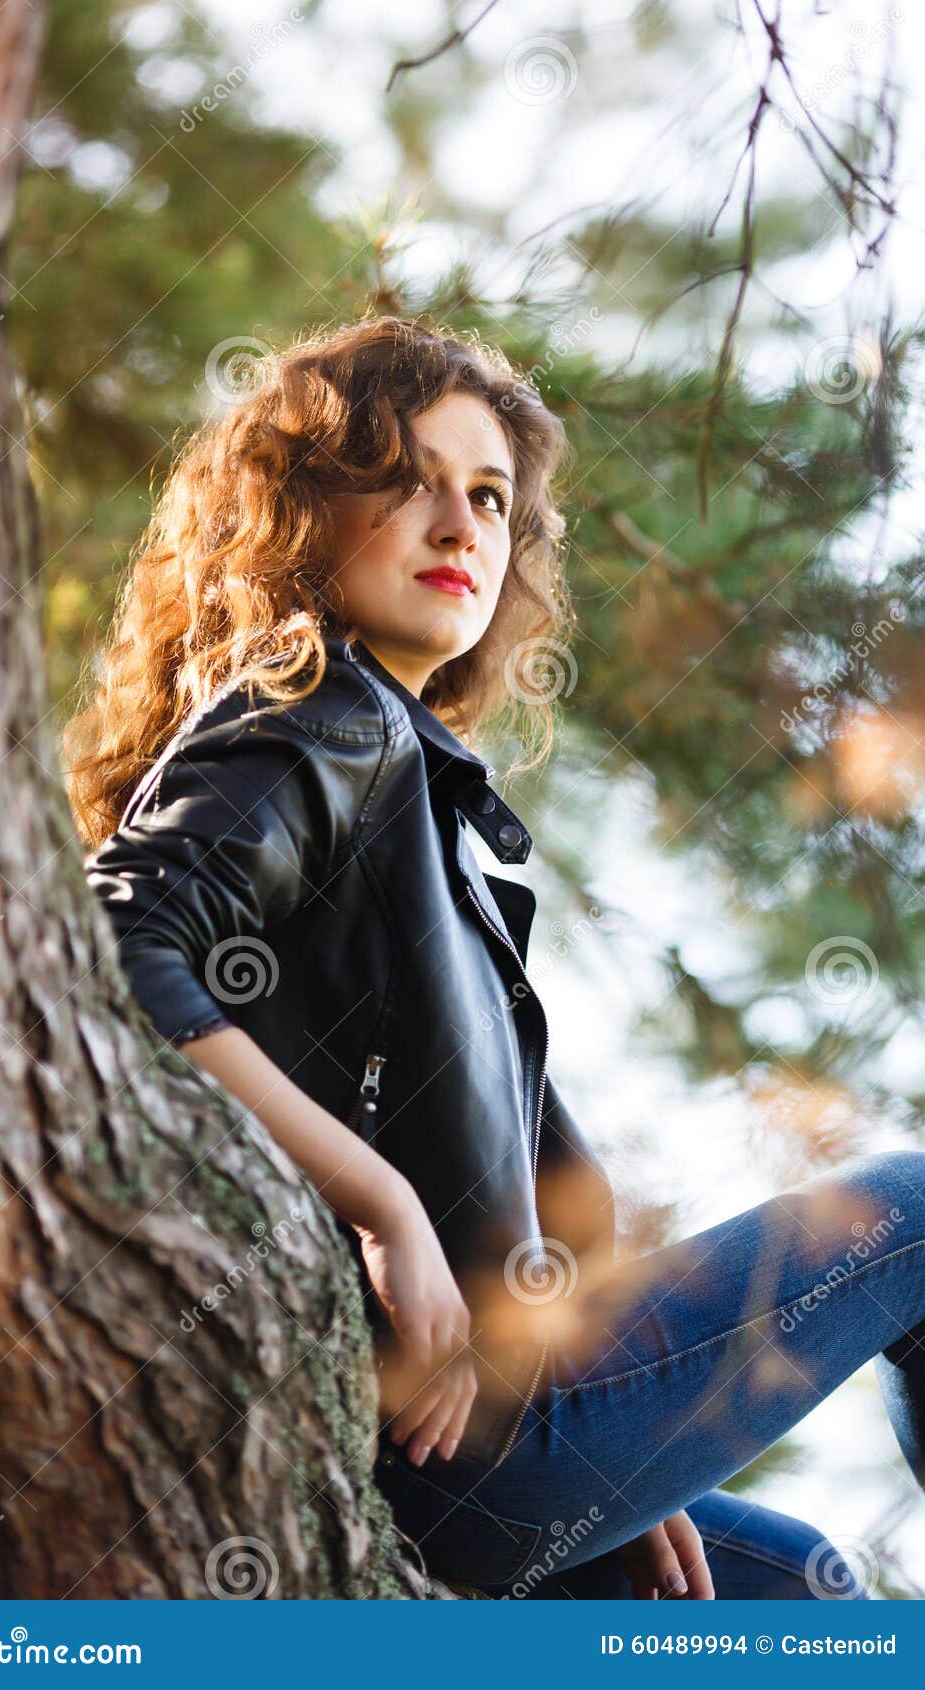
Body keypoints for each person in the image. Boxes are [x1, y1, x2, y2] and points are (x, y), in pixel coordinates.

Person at [66, 315, 924, 1601]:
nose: (460, 524)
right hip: (437, 1430)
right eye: (406, 482)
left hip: (457, 1438)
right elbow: (116, 948)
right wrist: (383, 1204)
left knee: (792, 1587)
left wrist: (632, 1476)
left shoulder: (416, 797)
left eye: (486, 496)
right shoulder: (323, 706)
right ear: (299, 514)